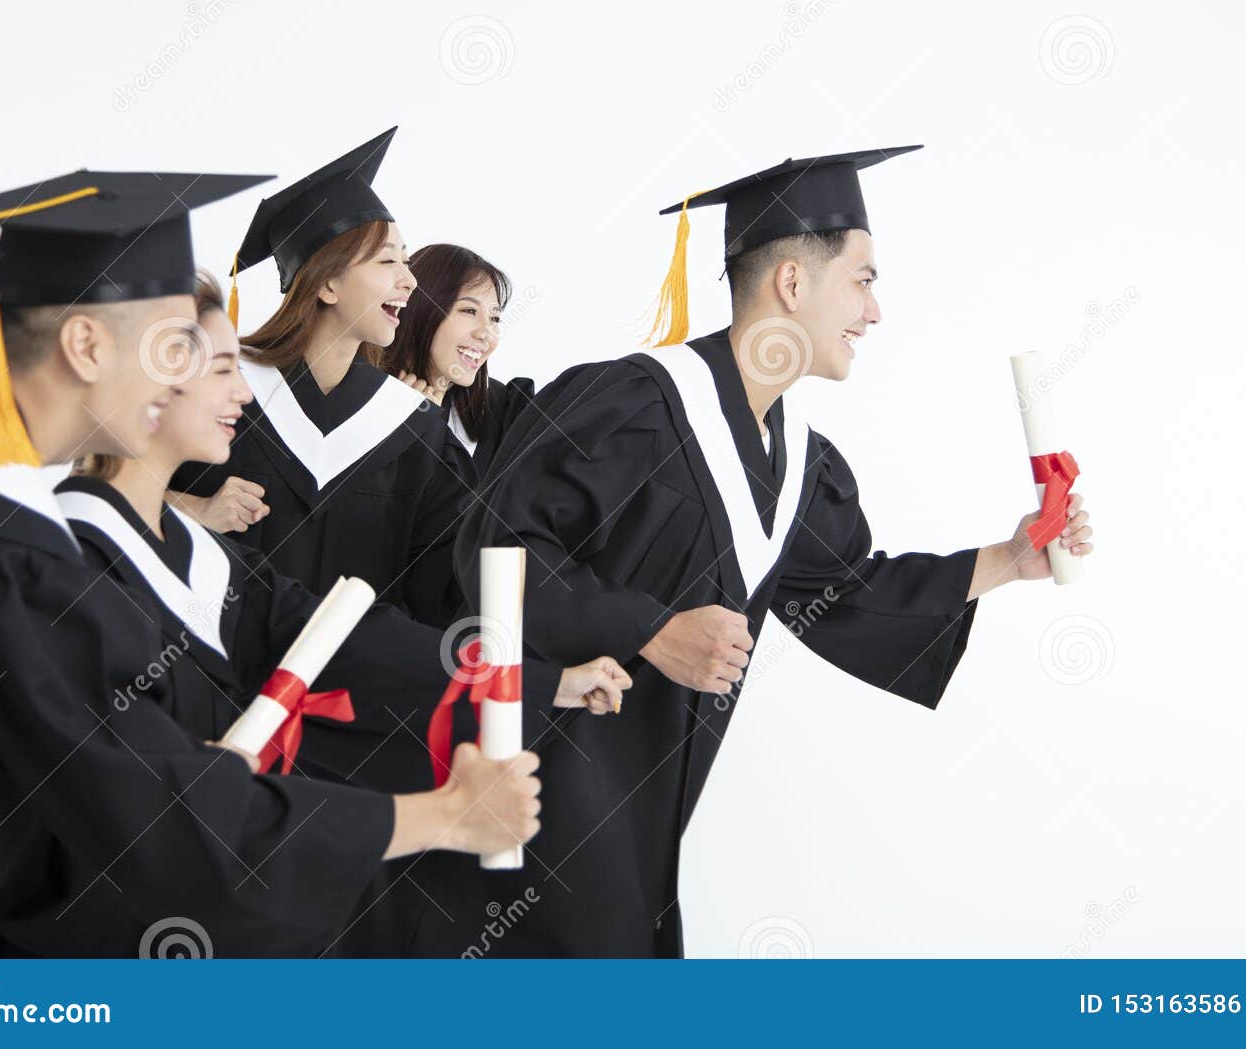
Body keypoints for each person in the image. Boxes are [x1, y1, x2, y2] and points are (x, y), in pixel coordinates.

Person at [0, 171, 540, 958]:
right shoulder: (12, 564)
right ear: (86, 344)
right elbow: (157, 820)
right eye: (177, 347)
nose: (188, 380)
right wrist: (441, 816)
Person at [419, 146, 1098, 957]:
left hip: (642, 826)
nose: (875, 311)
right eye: (865, 279)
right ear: (790, 283)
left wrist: (1010, 557)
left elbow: (845, 594)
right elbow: (496, 543)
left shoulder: (798, 460)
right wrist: (651, 629)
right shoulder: (635, 402)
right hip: (526, 798)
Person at [169, 129, 472, 627]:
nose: (410, 280)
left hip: (354, 693)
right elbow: (101, 488)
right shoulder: (218, 385)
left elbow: (447, 587)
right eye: (389, 260)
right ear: (328, 282)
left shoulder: (414, 429)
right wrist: (195, 508)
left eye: (408, 260)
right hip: (210, 687)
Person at [374, 243, 537, 478]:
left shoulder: (502, 411)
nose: (486, 334)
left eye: (495, 318)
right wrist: (422, 432)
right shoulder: (365, 398)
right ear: (422, 308)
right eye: (469, 311)